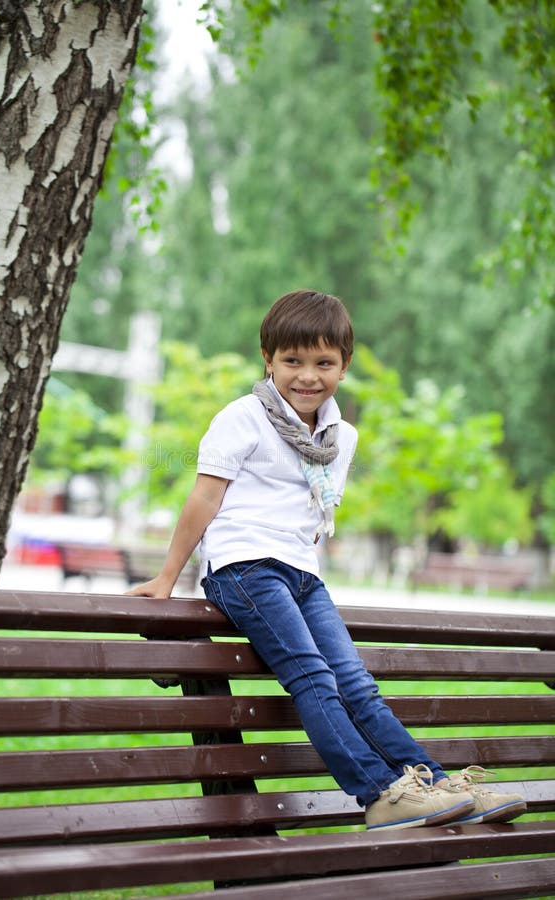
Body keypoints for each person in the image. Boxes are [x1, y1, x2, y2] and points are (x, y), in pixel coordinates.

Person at [128, 289, 526, 831]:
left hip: (303, 575)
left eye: (323, 363)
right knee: (313, 676)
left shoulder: (343, 436)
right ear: (267, 360)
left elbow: (314, 515)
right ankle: (381, 794)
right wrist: (167, 578)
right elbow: (204, 498)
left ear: (344, 366)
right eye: (292, 361)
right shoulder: (242, 418)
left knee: (356, 684)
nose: (307, 376)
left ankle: (434, 784)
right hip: (244, 568)